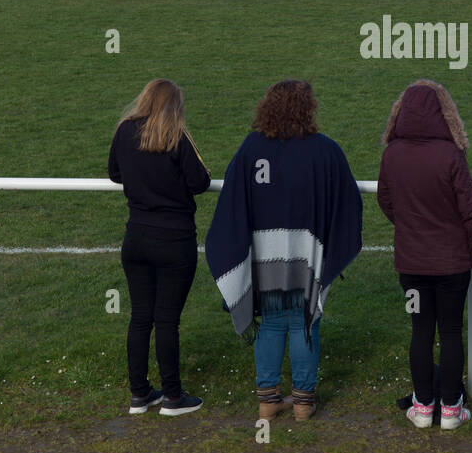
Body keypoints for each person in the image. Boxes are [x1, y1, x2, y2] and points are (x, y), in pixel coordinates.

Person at [204, 80, 362, 421]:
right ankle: (303, 403)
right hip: (309, 255)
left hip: (265, 255)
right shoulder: (326, 150)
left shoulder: (250, 149)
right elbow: (349, 202)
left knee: (273, 324)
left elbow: (232, 201)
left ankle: (268, 400)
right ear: (309, 108)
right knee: (306, 323)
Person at [377, 81, 472, 430]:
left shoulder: (392, 154)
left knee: (420, 331)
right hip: (451, 266)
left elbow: (385, 200)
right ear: (441, 114)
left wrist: (408, 225)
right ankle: (450, 409)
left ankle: (421, 408)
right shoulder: (450, 155)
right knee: (449, 330)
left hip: (411, 264)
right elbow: (470, 210)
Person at [108, 78, 212, 417]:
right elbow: (200, 182)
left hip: (136, 237)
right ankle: (172, 397)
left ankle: (139, 394)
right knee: (167, 320)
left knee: (140, 318)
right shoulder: (176, 138)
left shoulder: (124, 132)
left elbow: (114, 174)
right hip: (174, 241)